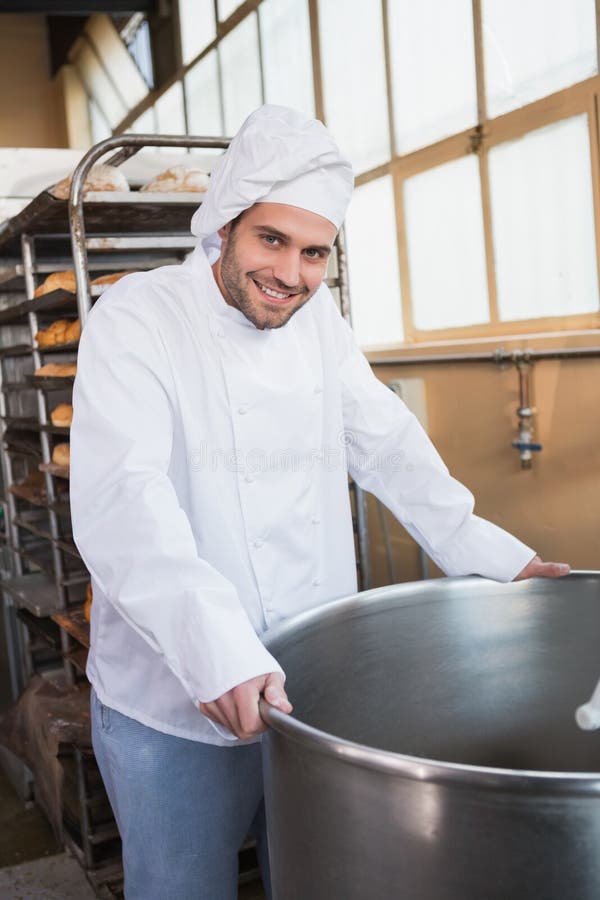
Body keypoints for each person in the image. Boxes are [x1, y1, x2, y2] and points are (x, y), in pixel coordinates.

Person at [70, 105, 569, 900]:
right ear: (226, 225)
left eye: (314, 252)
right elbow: (124, 501)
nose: (292, 274)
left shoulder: (318, 320)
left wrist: (495, 558)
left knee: (317, 879)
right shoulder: (138, 317)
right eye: (271, 240)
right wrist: (215, 650)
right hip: (174, 699)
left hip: (310, 690)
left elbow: (388, 444)